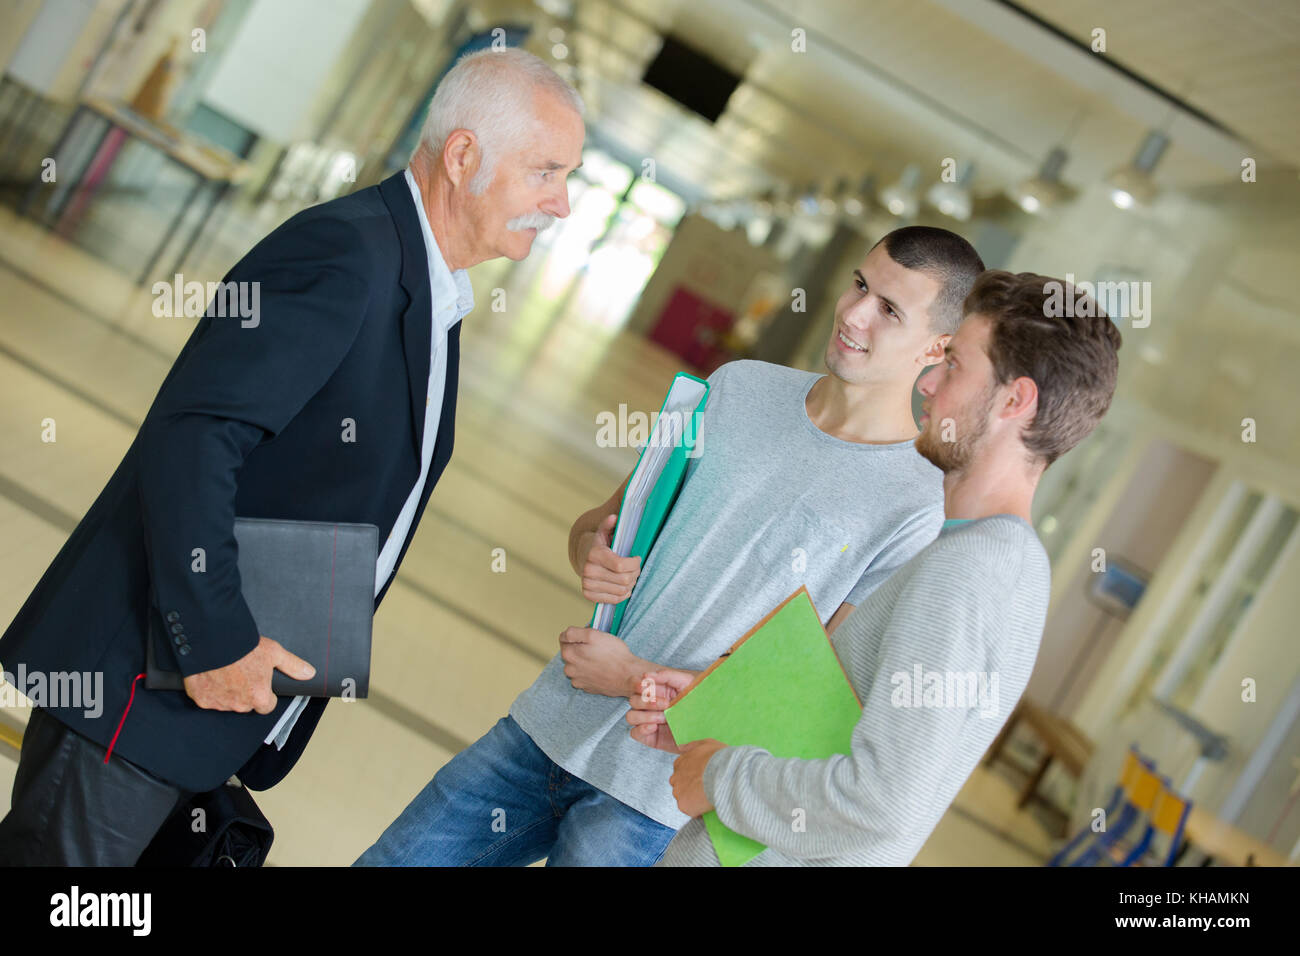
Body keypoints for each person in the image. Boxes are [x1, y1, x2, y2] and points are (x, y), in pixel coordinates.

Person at [0, 47, 585, 866]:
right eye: (547, 172)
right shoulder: (348, 257)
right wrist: (214, 645)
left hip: (209, 708)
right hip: (145, 683)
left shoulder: (428, 290)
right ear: (463, 156)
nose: (560, 204)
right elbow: (195, 437)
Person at [355, 226, 986, 866]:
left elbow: (800, 693)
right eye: (859, 285)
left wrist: (632, 679)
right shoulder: (739, 387)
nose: (853, 314)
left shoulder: (916, 506)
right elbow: (599, 524)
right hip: (547, 727)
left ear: (938, 345)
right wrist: (592, 556)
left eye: (888, 309)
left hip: (653, 803)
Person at [628, 269, 1123, 866]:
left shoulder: (966, 575)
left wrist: (722, 775)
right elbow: (854, 729)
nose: (929, 382)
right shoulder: (1007, 564)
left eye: (956, 365)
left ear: (1015, 401)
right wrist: (724, 711)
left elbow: (879, 806)